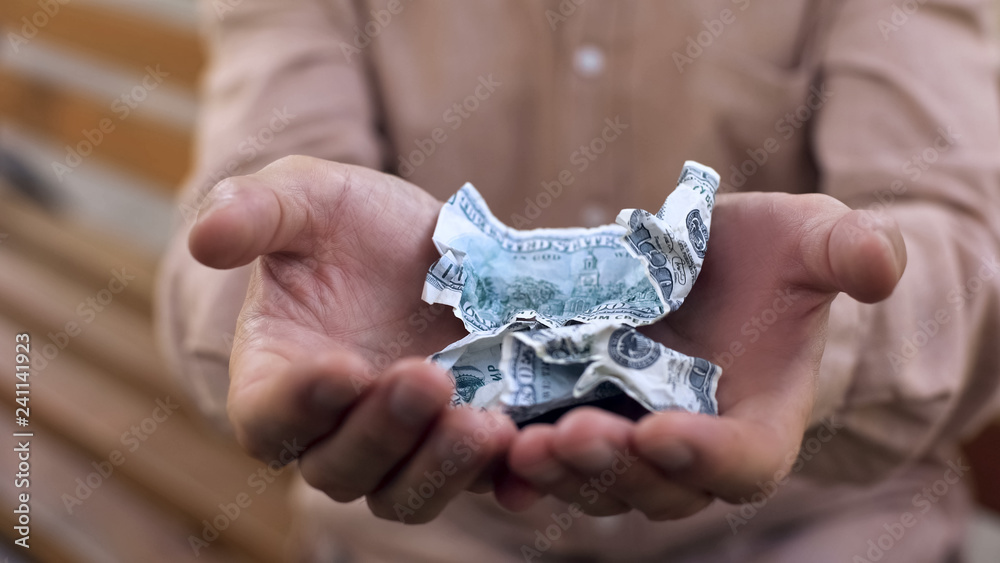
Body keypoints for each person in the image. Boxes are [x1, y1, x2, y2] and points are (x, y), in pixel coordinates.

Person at [156, 0, 1000, 561]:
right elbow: (242, 226)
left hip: (809, 532)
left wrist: (823, 333)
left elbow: (963, 248)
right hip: (426, 541)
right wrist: (298, 313)